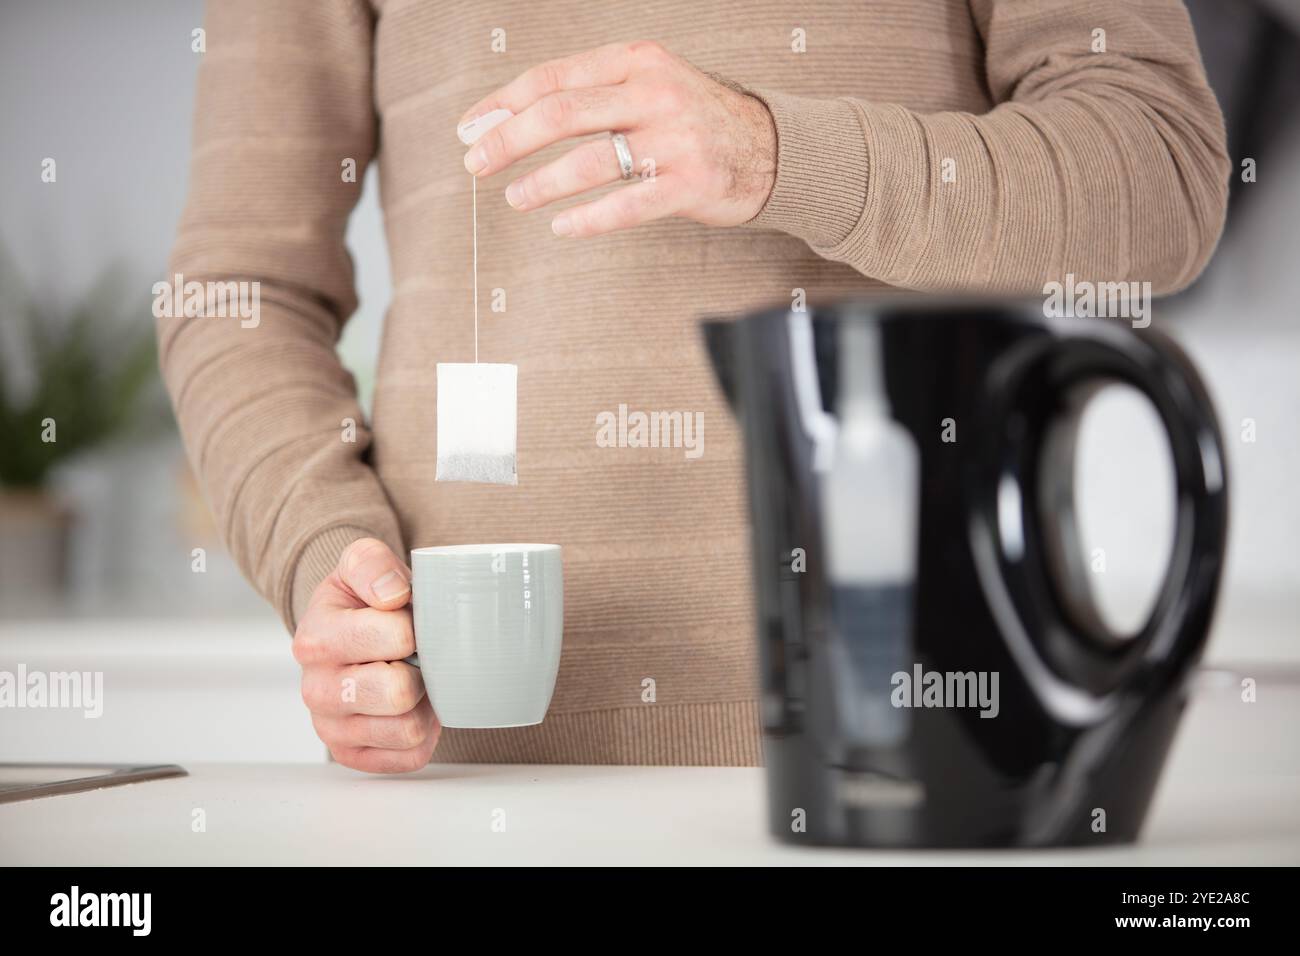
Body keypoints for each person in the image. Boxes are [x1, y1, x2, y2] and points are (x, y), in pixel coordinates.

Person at [159, 0, 1229, 773]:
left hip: (935, 749)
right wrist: (322, 555)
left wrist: (776, 154)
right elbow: (238, 290)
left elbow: (1161, 168)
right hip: (486, 774)